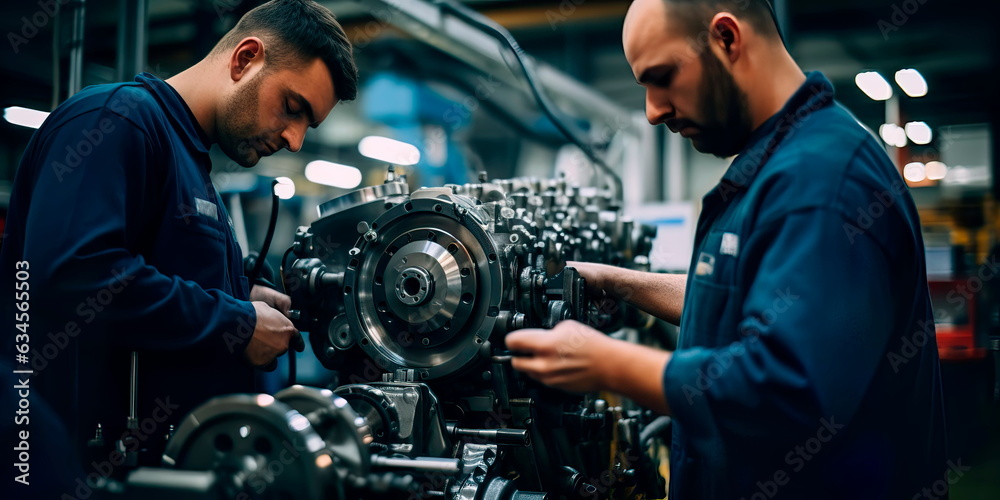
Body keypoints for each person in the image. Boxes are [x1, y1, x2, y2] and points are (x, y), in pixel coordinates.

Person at [506, 0, 948, 498]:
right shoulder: (779, 165)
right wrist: (621, 283)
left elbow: (785, 393)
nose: (653, 112)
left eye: (662, 76)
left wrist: (606, 362)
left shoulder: (820, 184)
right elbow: (743, 302)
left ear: (727, 38)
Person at [0, 0, 357, 493]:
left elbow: (158, 277)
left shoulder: (192, 162)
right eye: (293, 108)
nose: (295, 139)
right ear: (244, 59)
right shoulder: (117, 121)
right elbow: (70, 273)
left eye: (307, 124)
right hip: (74, 470)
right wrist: (235, 323)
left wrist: (238, 297)